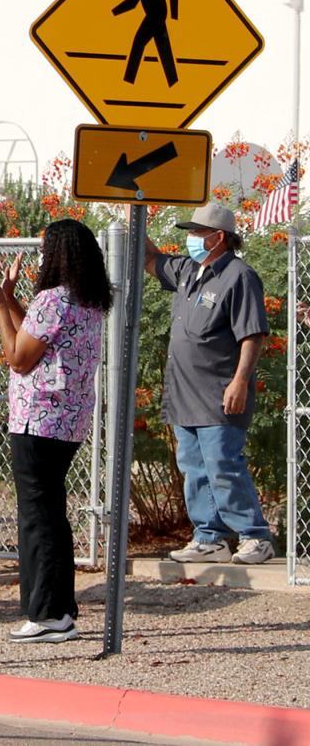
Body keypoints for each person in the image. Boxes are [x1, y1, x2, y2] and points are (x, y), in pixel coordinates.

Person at [0, 220, 111, 644]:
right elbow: (37, 335)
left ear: (57, 255)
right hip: (67, 422)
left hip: (38, 421)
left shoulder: (53, 299)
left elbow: (17, 357)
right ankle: (60, 608)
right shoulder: (87, 301)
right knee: (50, 512)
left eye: (43, 250)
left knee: (38, 517)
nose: (38, 258)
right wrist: (12, 299)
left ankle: (48, 613)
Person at [143, 203, 273, 565]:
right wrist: (132, 213)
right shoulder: (188, 271)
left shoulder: (239, 276)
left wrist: (240, 383)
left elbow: (252, 336)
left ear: (218, 238)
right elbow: (150, 257)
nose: (191, 239)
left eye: (198, 233)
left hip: (219, 393)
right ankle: (209, 538)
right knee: (194, 468)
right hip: (185, 394)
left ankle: (254, 536)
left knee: (223, 465)